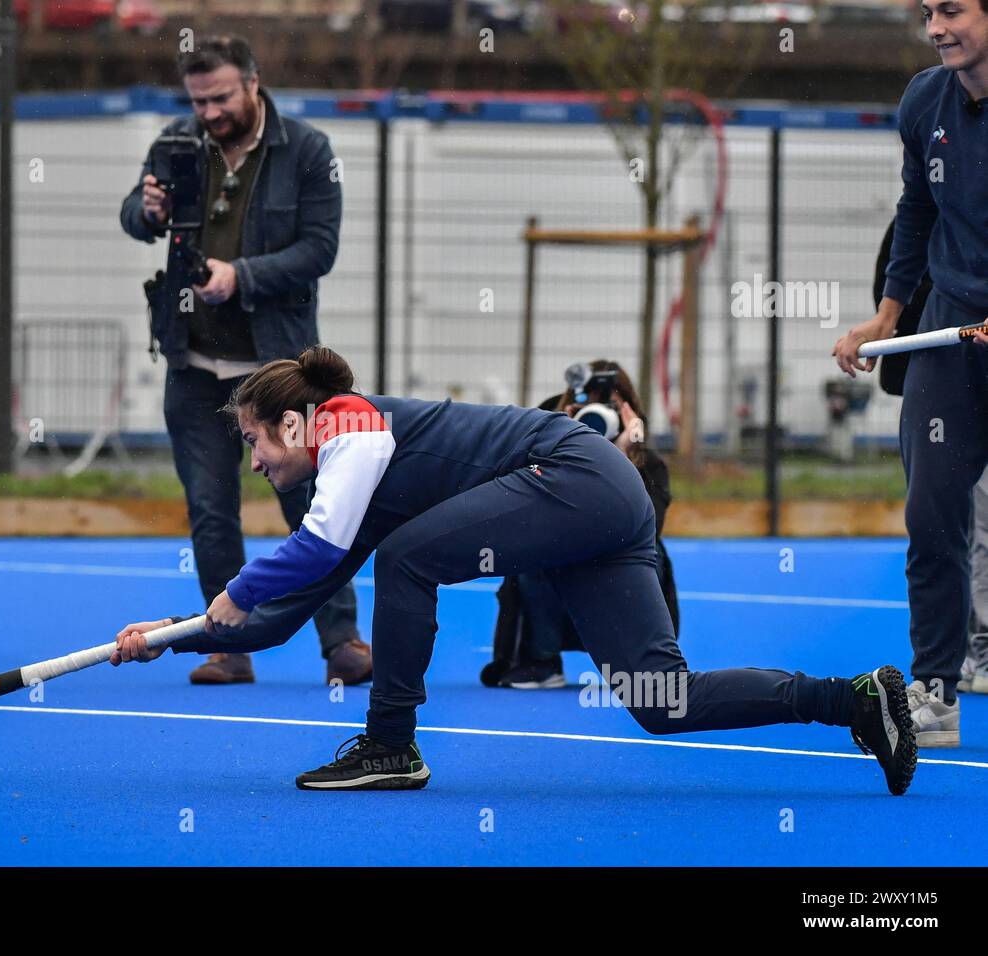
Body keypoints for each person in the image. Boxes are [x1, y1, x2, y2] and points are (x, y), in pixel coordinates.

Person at [111, 347, 918, 796]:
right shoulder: (343, 484)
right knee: (661, 701)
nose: (252, 462)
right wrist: (171, 637)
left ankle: (392, 746)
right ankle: (853, 699)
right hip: (597, 506)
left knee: (408, 558)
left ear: (294, 422)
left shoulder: (348, 425)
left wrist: (233, 587)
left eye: (254, 441)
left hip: (577, 478)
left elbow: (312, 556)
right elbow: (295, 606)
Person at [119, 35, 368, 687]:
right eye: (198, 100)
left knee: (314, 505)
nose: (209, 111)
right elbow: (131, 217)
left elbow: (320, 248)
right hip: (192, 359)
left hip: (278, 371)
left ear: (253, 84)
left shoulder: (307, 150)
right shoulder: (175, 143)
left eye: (221, 96)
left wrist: (241, 277)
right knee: (209, 508)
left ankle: (342, 640)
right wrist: (144, 213)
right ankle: (225, 644)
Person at [833, 0, 988, 746]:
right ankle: (935, 696)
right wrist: (888, 318)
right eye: (928, 12)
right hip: (948, 337)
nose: (935, 27)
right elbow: (917, 213)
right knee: (932, 518)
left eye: (952, 10)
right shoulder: (923, 99)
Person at [481, 360, 678, 690]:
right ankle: (538, 660)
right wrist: (560, 442)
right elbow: (523, 508)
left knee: (651, 552)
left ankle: (641, 663)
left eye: (607, 410)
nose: (596, 419)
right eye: (587, 411)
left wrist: (618, 458)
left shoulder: (651, 466)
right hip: (557, 565)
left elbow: (642, 529)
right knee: (532, 545)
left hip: (617, 569)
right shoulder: (545, 452)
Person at [872, 219, 988, 695]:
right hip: (950, 370)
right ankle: (962, 661)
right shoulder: (923, 211)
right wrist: (888, 325)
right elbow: (892, 272)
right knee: (953, 523)